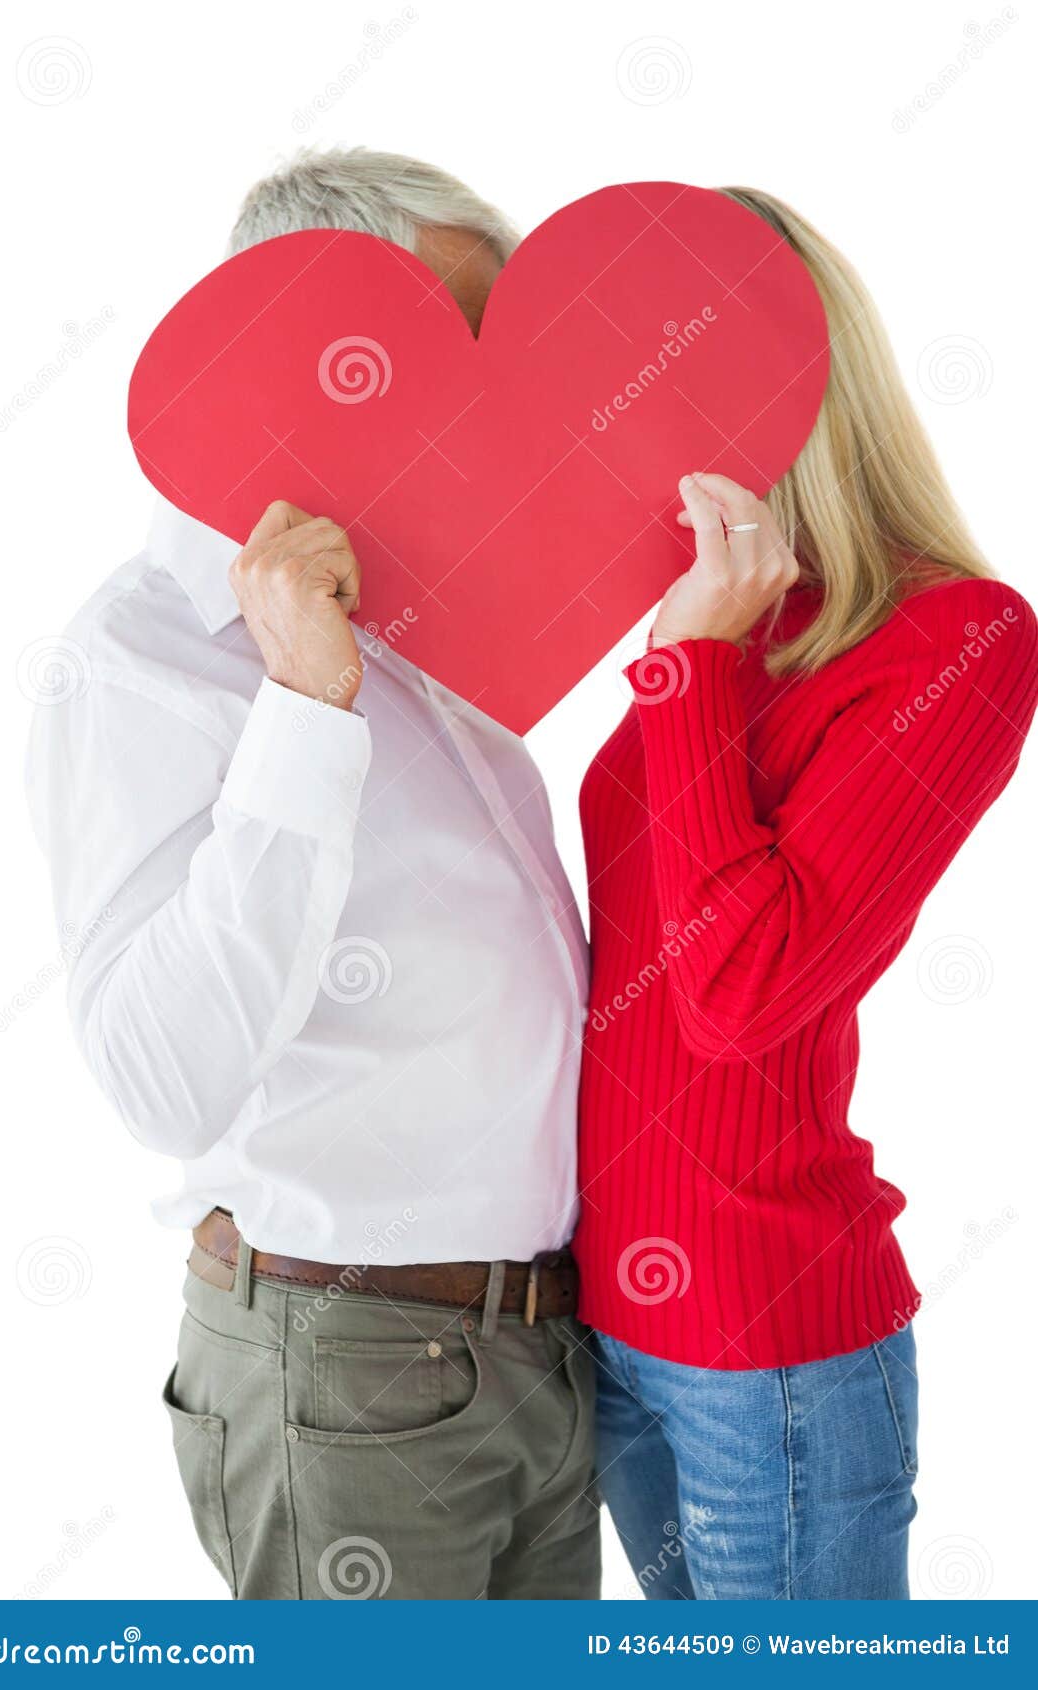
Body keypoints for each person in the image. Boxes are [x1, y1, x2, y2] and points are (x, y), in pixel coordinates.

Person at [27, 148, 598, 1602]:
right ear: (300, 340)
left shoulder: (440, 622)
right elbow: (161, 1077)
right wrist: (300, 705)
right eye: (452, 350)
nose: (492, 409)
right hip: (349, 1381)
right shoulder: (143, 654)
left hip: (538, 1354)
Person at [574, 187, 1037, 1601]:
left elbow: (737, 993)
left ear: (803, 372)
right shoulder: (723, 606)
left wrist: (695, 664)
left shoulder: (958, 636)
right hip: (605, 1320)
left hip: (767, 1352)